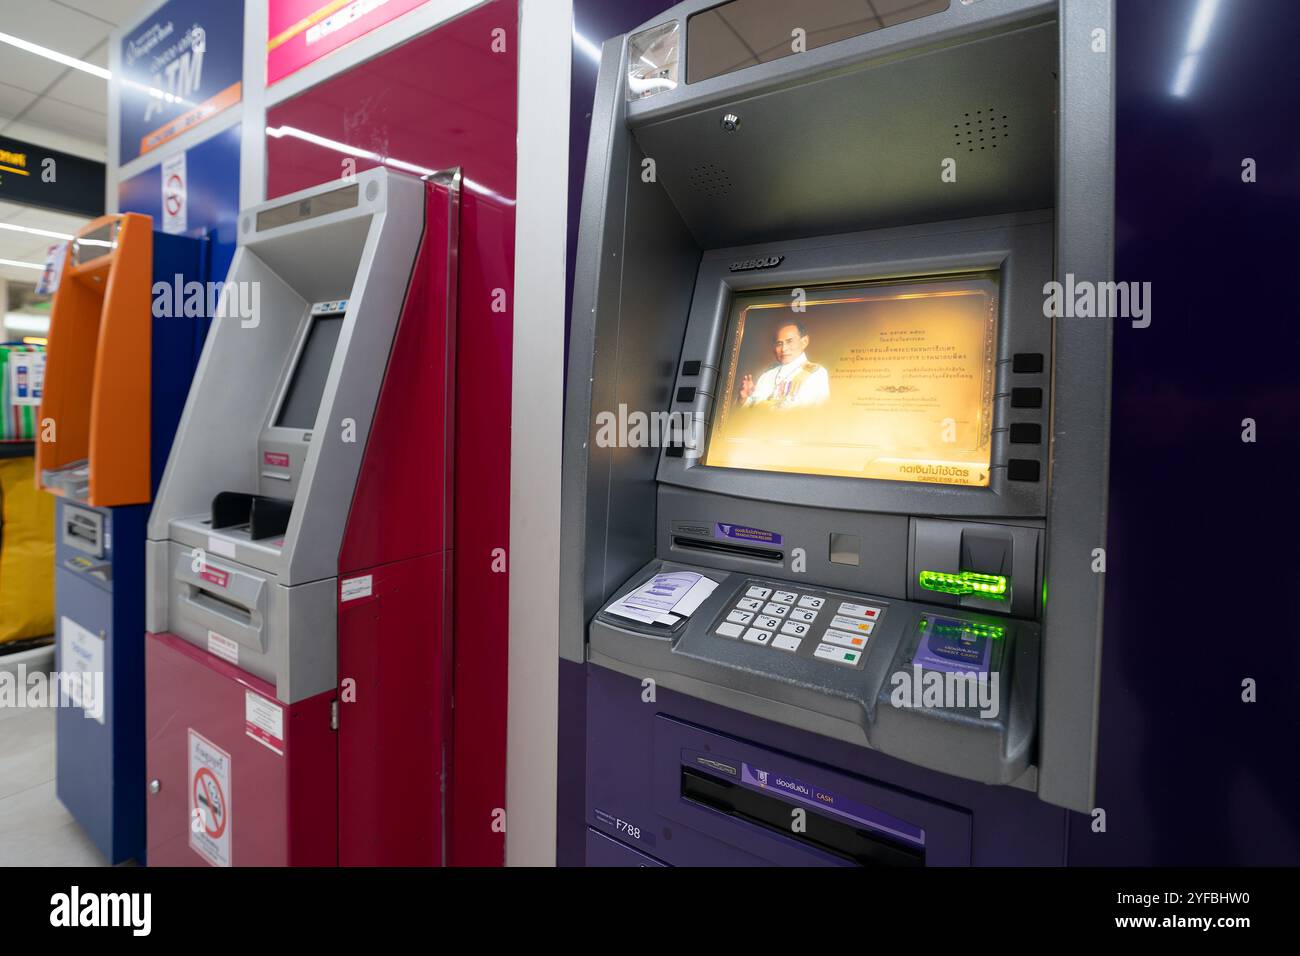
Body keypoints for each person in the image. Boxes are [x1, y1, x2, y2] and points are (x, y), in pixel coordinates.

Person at [739, 321, 830, 408]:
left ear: (804, 341)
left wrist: (758, 405)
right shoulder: (768, 374)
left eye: (789, 341)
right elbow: (750, 415)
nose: (783, 349)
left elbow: (803, 414)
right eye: (779, 343)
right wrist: (745, 399)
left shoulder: (815, 373)